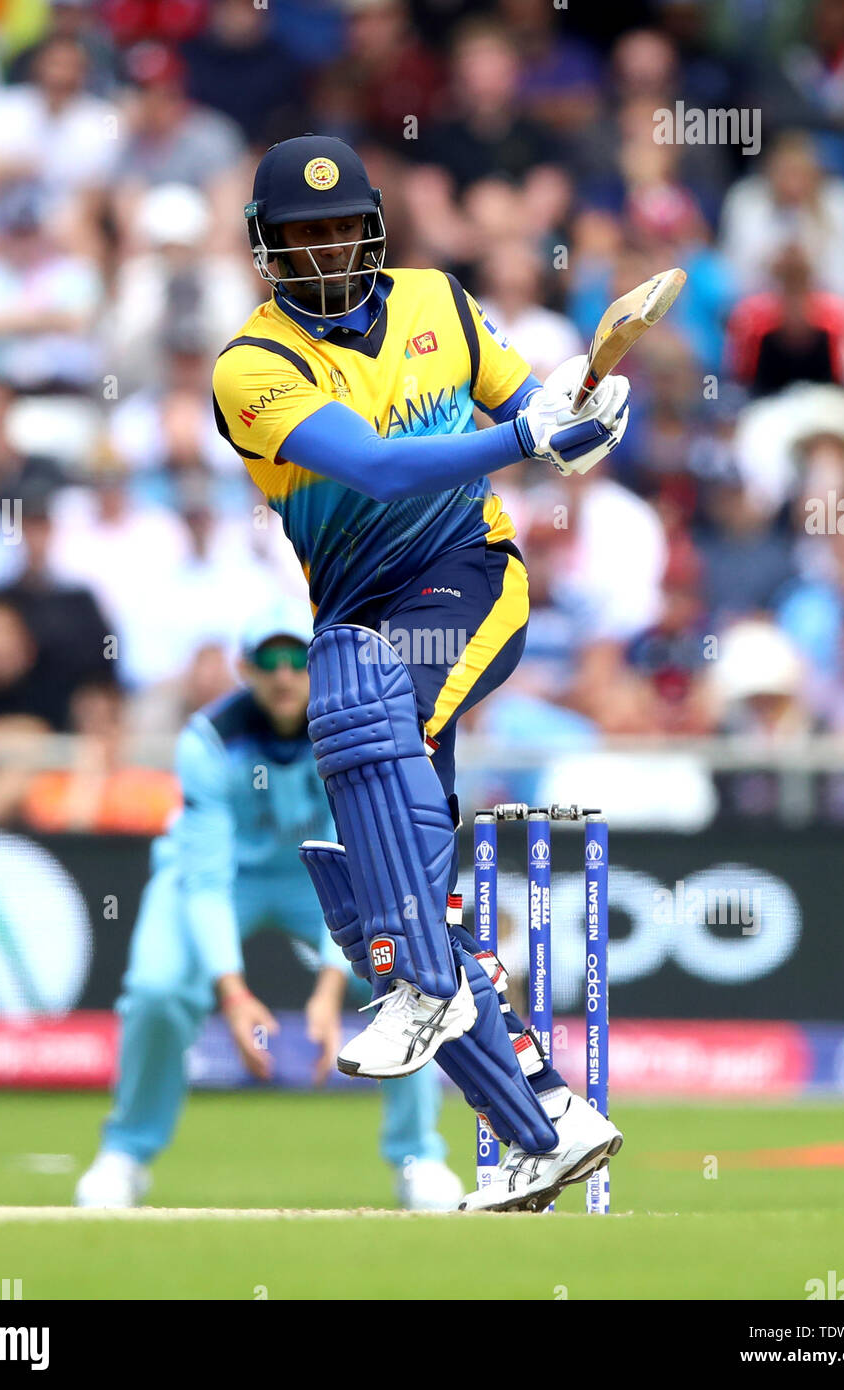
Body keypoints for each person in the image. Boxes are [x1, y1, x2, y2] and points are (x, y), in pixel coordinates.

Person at [212, 135, 627, 1212]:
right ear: (265, 249)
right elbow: (378, 467)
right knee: (381, 904)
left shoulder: (438, 299)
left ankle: (425, 986)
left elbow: (527, 397)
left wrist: (579, 414)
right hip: (364, 607)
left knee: (348, 671)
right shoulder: (249, 367)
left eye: (343, 228)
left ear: (373, 228)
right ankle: (542, 1125)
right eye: (301, 238)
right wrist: (529, 438)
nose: (327, 251)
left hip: (467, 580)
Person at [75, 605, 462, 1211]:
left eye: (297, 661)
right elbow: (205, 880)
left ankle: (419, 1157)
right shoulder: (209, 740)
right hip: (221, 879)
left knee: (409, 978)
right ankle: (125, 1153)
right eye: (269, 662)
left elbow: (361, 868)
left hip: (319, 879)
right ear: (243, 669)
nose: (284, 676)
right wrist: (232, 994)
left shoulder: (353, 729)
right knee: (157, 992)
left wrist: (333, 989)